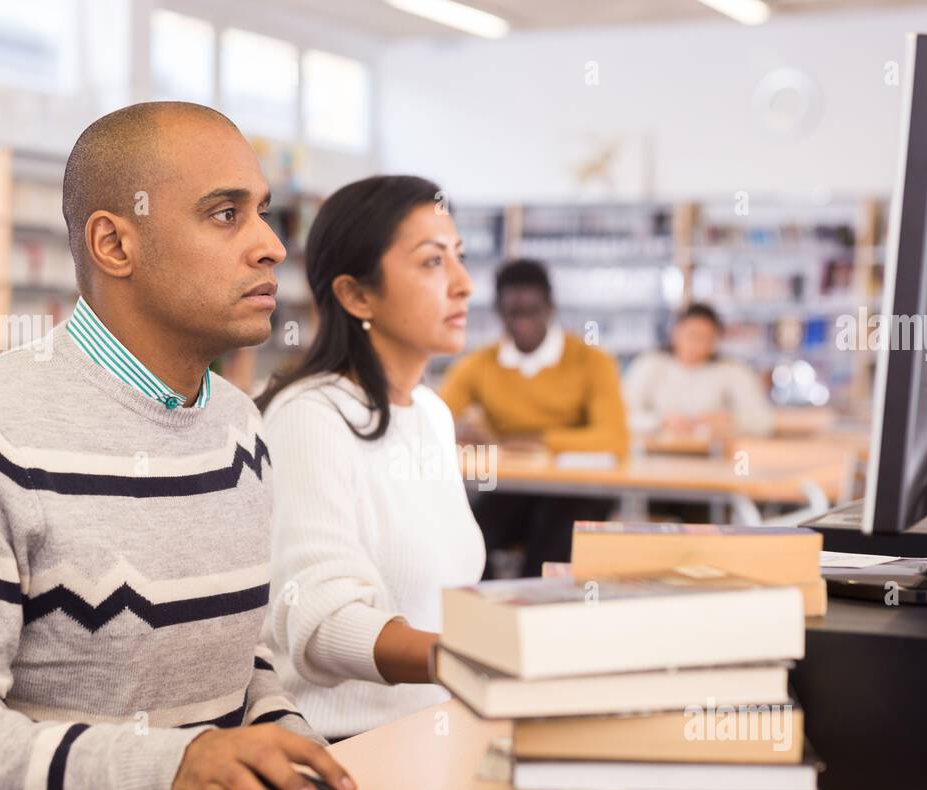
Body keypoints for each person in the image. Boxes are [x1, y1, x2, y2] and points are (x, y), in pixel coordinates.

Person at [0, 102, 355, 790]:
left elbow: (246, 671)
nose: (272, 245)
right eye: (225, 213)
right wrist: (179, 768)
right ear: (114, 243)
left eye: (263, 213)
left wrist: (289, 756)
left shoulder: (239, 426)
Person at [257, 176, 485, 741]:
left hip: (437, 733)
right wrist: (480, 659)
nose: (464, 285)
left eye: (459, 258)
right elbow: (324, 622)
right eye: (433, 263)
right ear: (357, 295)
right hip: (347, 751)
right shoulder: (310, 417)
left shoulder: (431, 414)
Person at [437, 258, 626, 578]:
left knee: (548, 549)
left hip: (579, 488)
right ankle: (482, 616)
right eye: (513, 312)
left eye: (532, 311)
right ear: (499, 312)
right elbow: (434, 414)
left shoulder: (592, 361)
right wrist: (453, 433)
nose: (523, 322)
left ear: (550, 309)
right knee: (468, 541)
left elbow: (614, 438)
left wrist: (537, 441)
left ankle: (532, 617)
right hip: (514, 486)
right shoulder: (480, 364)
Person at [623, 302, 774, 438]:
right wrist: (660, 422)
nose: (697, 345)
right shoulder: (651, 365)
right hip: (654, 459)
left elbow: (763, 422)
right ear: (675, 333)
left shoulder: (732, 371)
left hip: (716, 459)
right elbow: (621, 416)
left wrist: (730, 420)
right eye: (692, 335)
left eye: (706, 338)